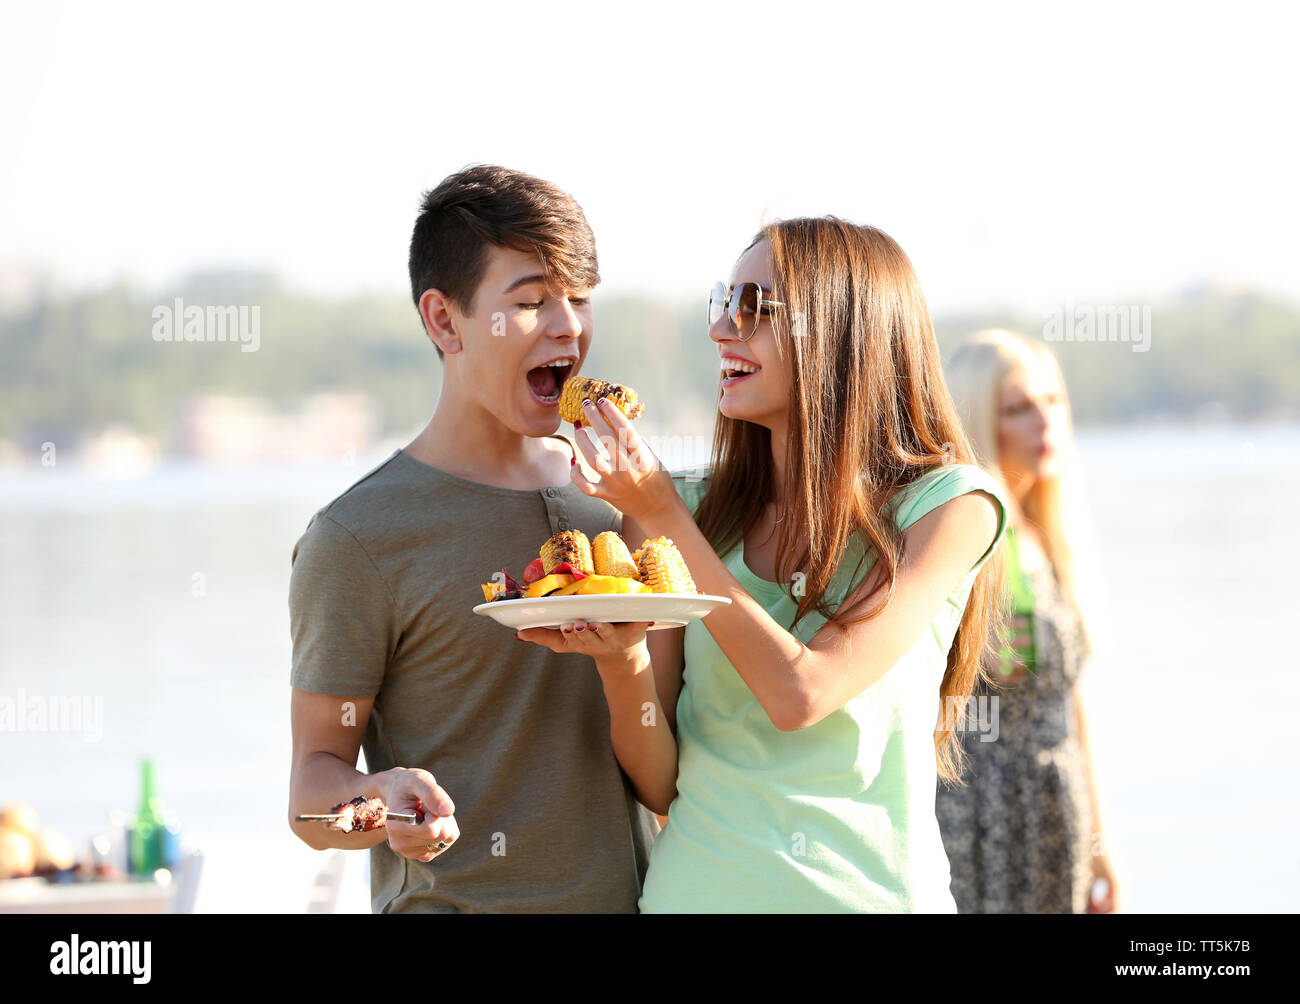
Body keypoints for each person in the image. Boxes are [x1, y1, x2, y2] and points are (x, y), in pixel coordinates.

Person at [518, 217, 1010, 912]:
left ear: (843, 329)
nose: (723, 330)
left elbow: (801, 694)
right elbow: (660, 783)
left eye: (754, 308)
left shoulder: (950, 508)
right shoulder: (685, 509)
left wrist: (662, 517)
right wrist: (619, 659)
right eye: (724, 303)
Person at [286, 164, 657, 913]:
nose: (568, 327)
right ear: (444, 322)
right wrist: (378, 800)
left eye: (579, 300)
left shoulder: (614, 507)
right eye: (529, 302)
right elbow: (311, 797)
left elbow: (667, 767)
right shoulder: (357, 538)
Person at [935, 329, 1119, 913]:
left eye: (1052, 402)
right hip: (975, 803)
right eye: (1017, 409)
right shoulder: (960, 535)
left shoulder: (1050, 537)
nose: (1045, 424)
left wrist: (1102, 844)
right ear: (978, 420)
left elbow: (1072, 703)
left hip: (1056, 798)